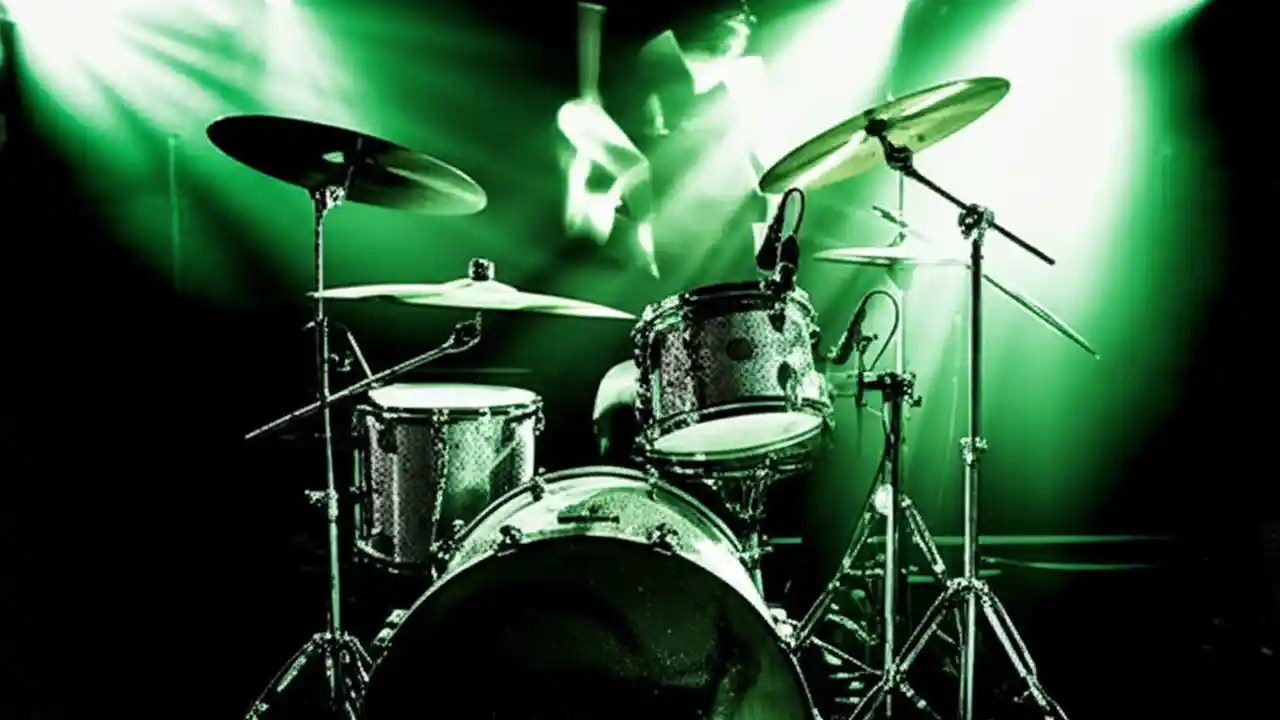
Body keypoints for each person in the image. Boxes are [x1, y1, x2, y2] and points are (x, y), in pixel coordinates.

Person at [557, 0, 774, 292]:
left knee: (626, 191)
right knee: (633, 179)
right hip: (583, 116)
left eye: (736, 41)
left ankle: (628, 247)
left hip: (606, 135)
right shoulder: (669, 56)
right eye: (727, 38)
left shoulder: (721, 71)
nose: (730, 47)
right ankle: (636, 254)